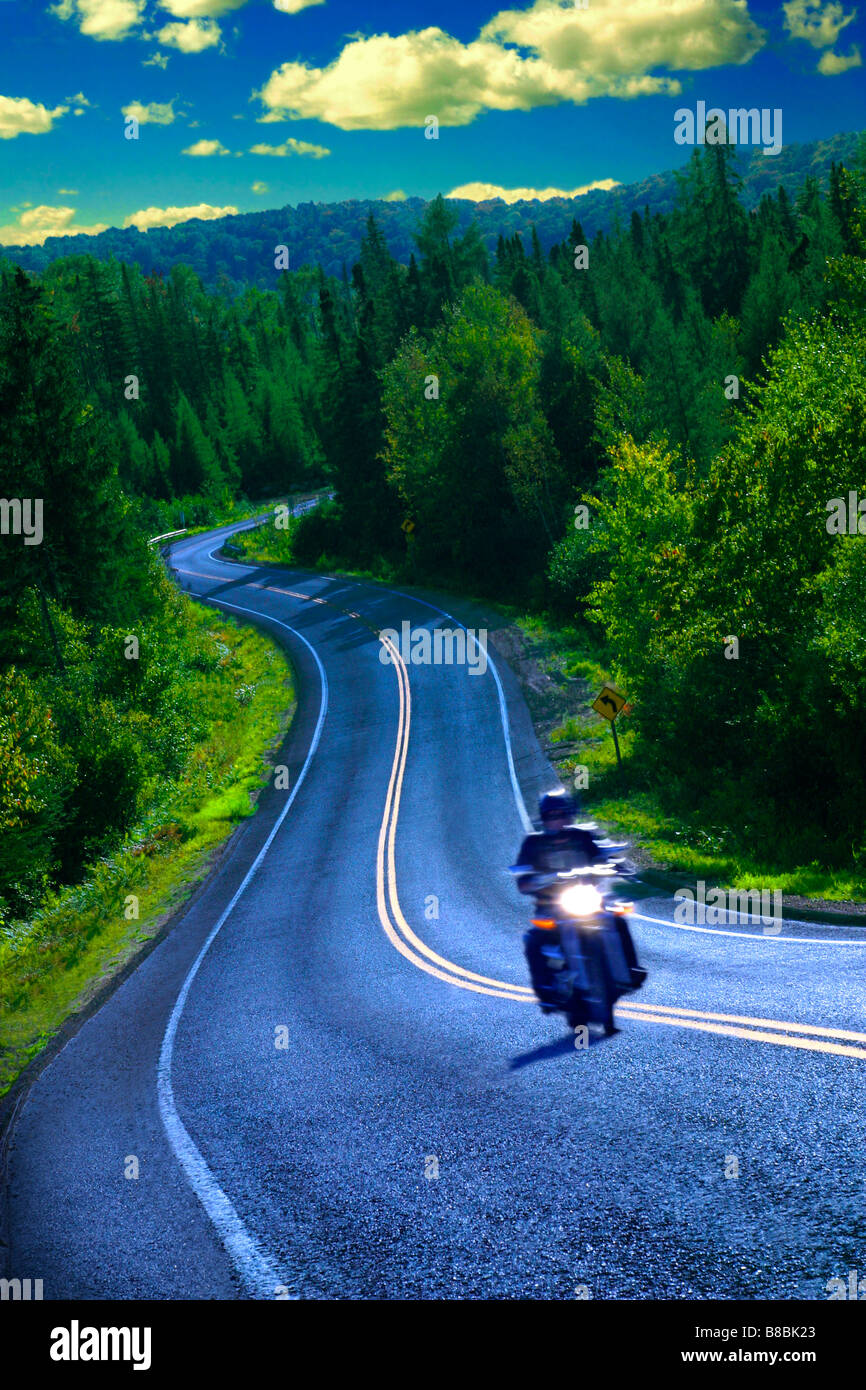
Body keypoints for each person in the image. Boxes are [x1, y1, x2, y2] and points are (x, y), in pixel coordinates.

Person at [513, 789, 641, 1014]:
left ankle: (631, 971)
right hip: (551, 908)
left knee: (619, 920)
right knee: (533, 941)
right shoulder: (533, 843)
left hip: (588, 898)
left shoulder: (583, 836)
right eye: (552, 816)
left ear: (571, 815)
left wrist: (619, 864)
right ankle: (546, 992)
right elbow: (522, 879)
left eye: (562, 814)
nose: (558, 820)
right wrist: (530, 881)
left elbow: (604, 854)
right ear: (544, 819)